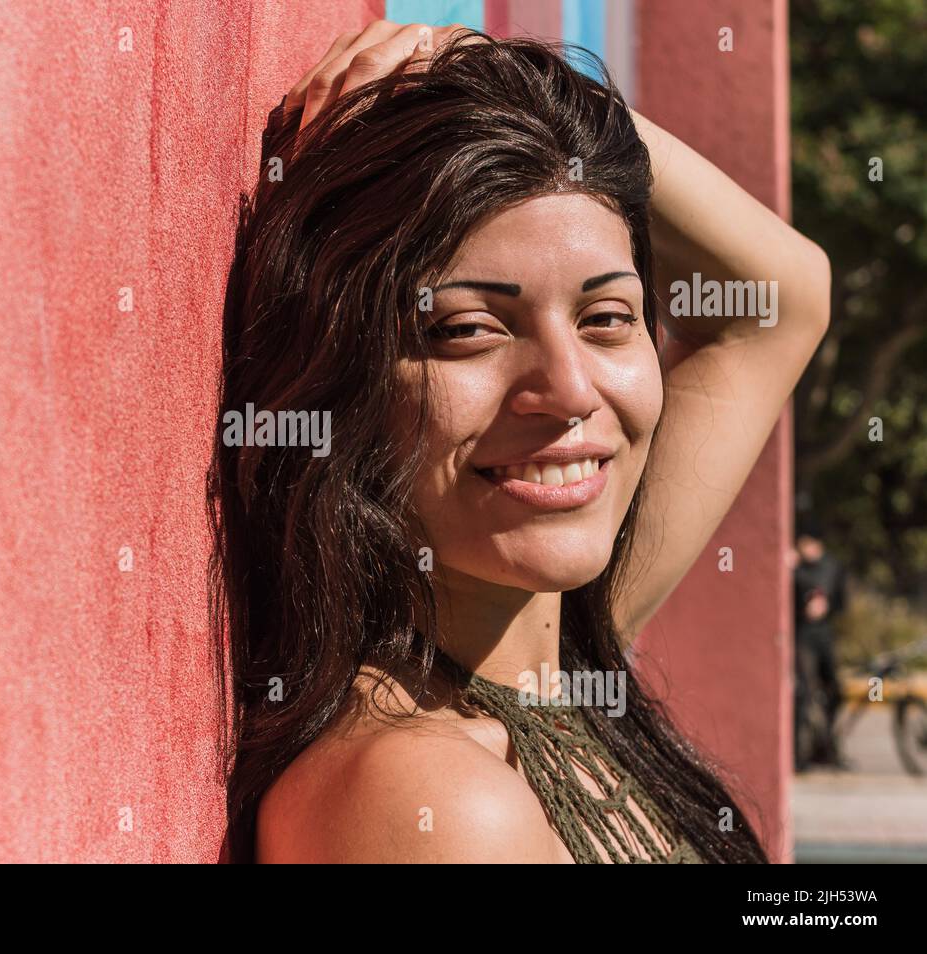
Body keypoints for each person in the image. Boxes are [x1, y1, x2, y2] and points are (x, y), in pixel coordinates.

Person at [209, 23, 830, 862]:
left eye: (606, 318)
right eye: (467, 330)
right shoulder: (437, 802)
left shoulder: (551, 641)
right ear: (344, 380)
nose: (571, 392)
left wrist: (509, 77)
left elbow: (776, 299)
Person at [793, 514, 849, 769]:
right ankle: (799, 756)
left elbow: (842, 604)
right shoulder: (795, 569)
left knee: (835, 693)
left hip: (823, 637)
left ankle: (827, 747)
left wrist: (825, 607)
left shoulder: (833, 567)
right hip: (802, 637)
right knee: (803, 694)